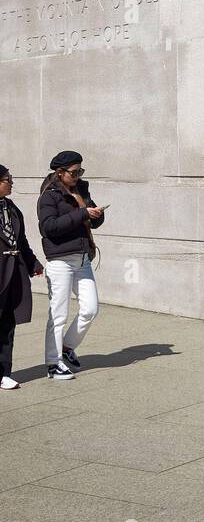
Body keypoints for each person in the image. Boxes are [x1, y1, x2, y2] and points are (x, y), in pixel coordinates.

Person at [37, 152, 105, 381]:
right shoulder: (49, 196)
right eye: (74, 172)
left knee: (90, 309)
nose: (77, 176)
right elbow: (50, 228)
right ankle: (53, 363)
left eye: (80, 172)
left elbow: (92, 222)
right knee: (58, 314)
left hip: (82, 259)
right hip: (60, 261)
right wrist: (82, 213)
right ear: (60, 172)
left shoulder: (81, 191)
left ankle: (66, 348)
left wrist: (95, 214)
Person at [0, 165, 44, 389]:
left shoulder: (11, 207)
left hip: (13, 273)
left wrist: (33, 263)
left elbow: (21, 241)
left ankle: (4, 372)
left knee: (7, 324)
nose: (11, 183)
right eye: (8, 179)